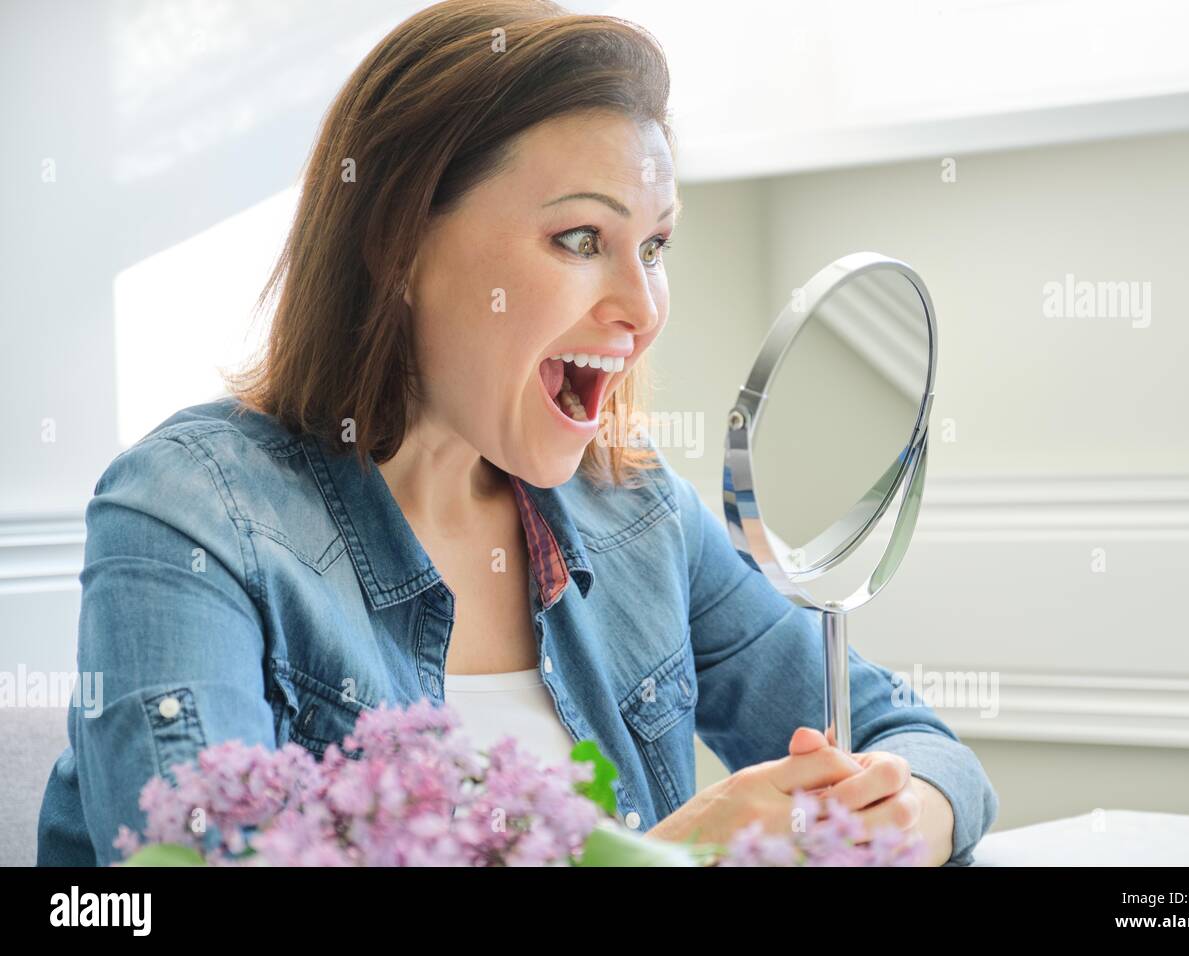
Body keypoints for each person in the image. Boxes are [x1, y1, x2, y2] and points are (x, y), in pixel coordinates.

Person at [36, 0, 997, 867]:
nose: (644, 306)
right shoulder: (192, 513)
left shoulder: (637, 513)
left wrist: (904, 810)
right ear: (399, 244)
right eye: (582, 240)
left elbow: (916, 744)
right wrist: (659, 858)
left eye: (655, 246)